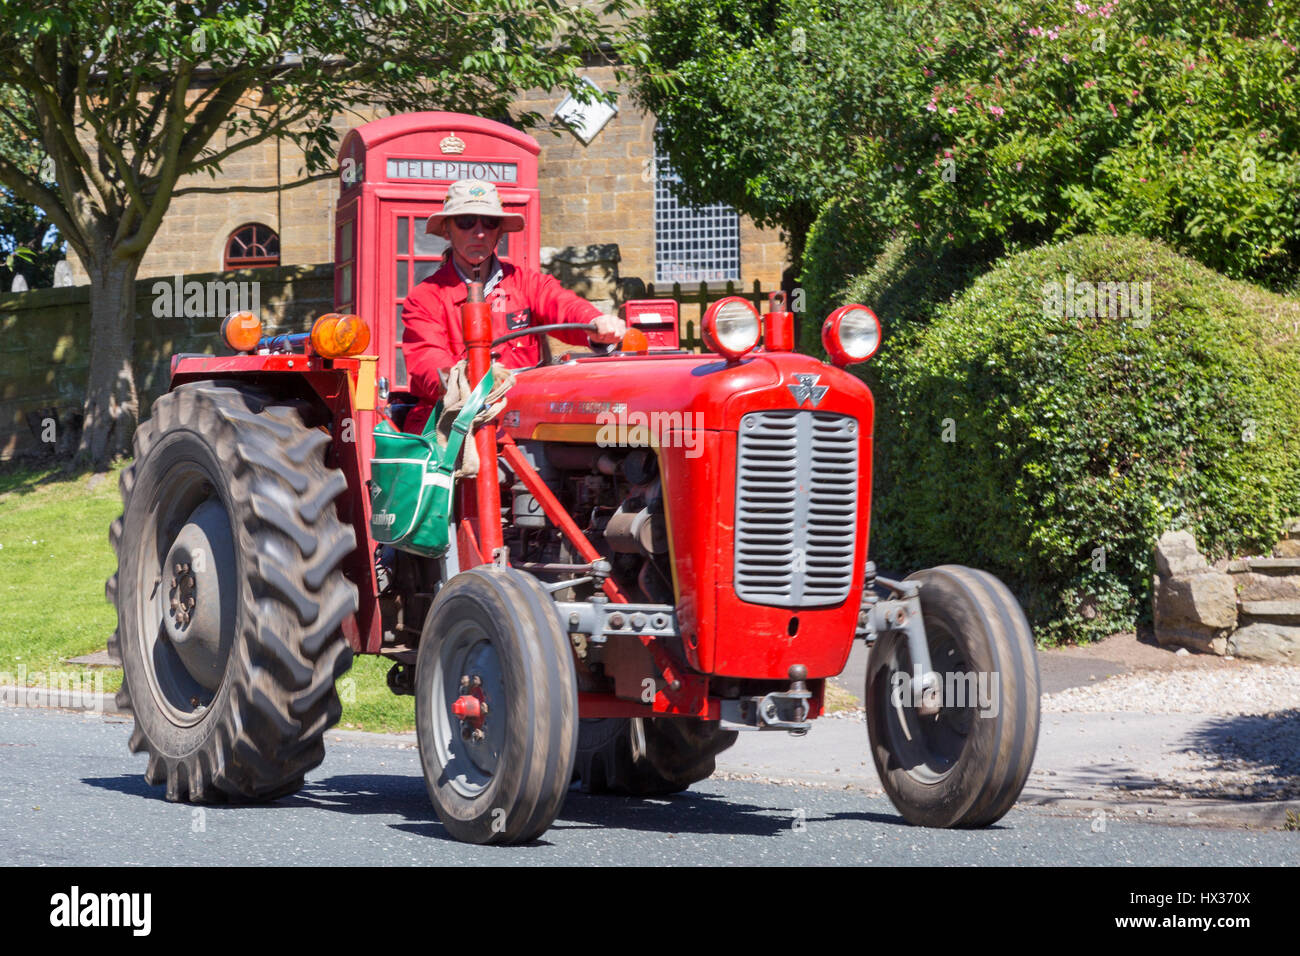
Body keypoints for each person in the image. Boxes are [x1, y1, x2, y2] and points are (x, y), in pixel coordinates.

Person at [400, 179, 625, 433]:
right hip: (450, 425)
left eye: (490, 222)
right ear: (447, 230)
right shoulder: (425, 297)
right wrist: (460, 381)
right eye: (466, 222)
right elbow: (427, 358)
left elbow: (562, 304)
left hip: (521, 422)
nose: (480, 232)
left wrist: (596, 324)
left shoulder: (527, 284)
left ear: (500, 232)